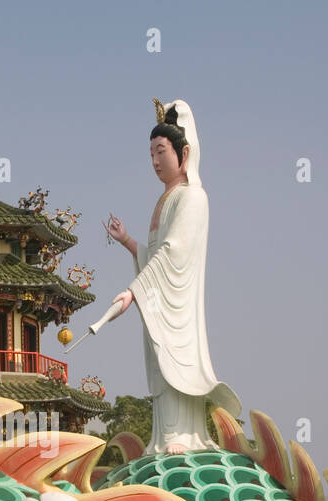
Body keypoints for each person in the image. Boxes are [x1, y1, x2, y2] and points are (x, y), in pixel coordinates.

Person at [102, 99, 242, 455]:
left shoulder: (194, 197)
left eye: (161, 152)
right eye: (150, 154)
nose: (154, 162)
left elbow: (174, 253)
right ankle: (163, 436)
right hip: (158, 298)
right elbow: (154, 252)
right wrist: (128, 242)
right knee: (159, 360)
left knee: (178, 358)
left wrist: (133, 291)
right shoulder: (165, 199)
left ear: (184, 152)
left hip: (178, 299)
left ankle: (186, 435)